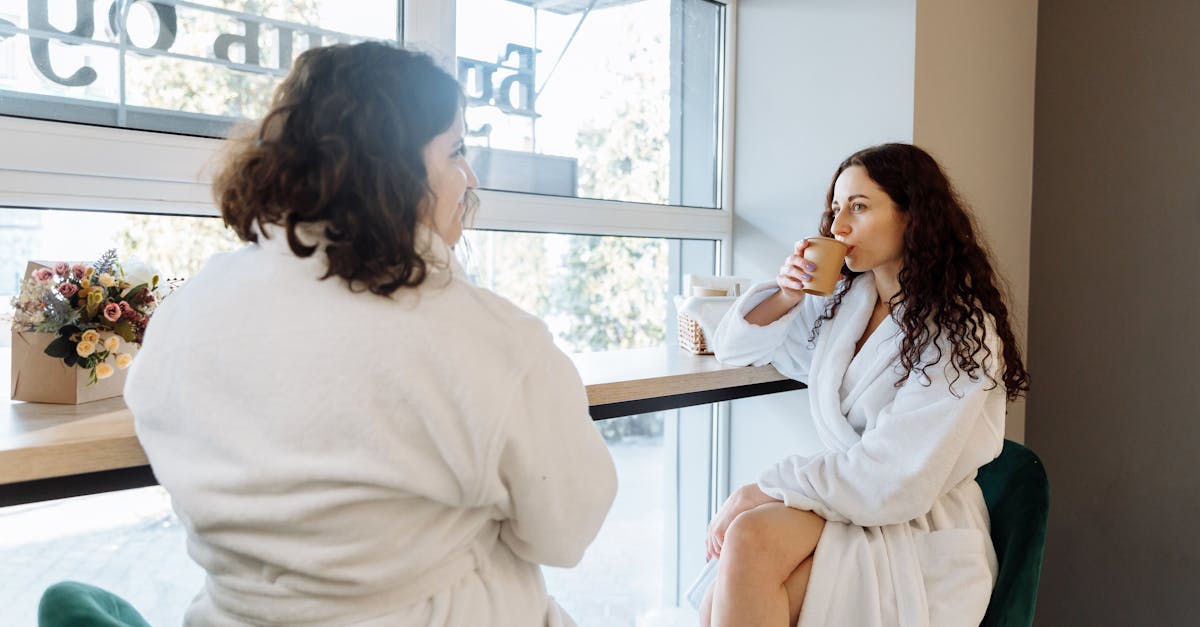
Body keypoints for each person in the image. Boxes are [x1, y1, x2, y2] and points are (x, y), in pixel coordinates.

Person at [124, 42, 617, 627]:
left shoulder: (187, 315)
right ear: (394, 172)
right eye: (456, 151)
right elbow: (565, 534)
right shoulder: (487, 343)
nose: (470, 177)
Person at [701, 143, 1029, 627]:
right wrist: (789, 292)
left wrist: (761, 489)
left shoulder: (960, 329)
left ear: (912, 215)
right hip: (850, 502)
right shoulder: (846, 303)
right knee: (735, 568)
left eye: (858, 207)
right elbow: (736, 347)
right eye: (835, 209)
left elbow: (895, 479)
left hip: (913, 521)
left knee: (745, 546)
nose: (838, 227)